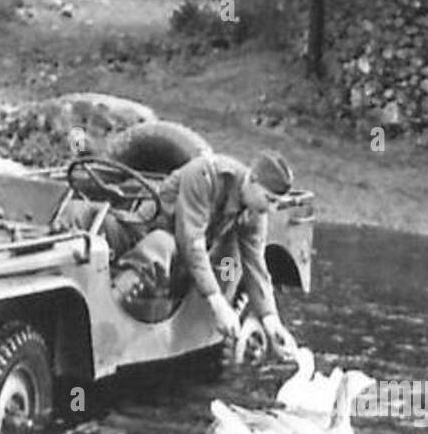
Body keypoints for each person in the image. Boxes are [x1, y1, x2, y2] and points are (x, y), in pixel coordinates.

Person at [105, 149, 300, 358]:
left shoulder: (255, 211)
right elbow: (191, 240)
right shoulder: (206, 174)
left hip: (180, 261)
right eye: (269, 199)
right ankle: (106, 308)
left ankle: (106, 323)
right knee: (95, 220)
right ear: (252, 179)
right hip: (149, 231)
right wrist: (219, 305)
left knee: (163, 245)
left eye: (276, 203)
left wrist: (271, 321)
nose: (270, 209)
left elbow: (254, 264)